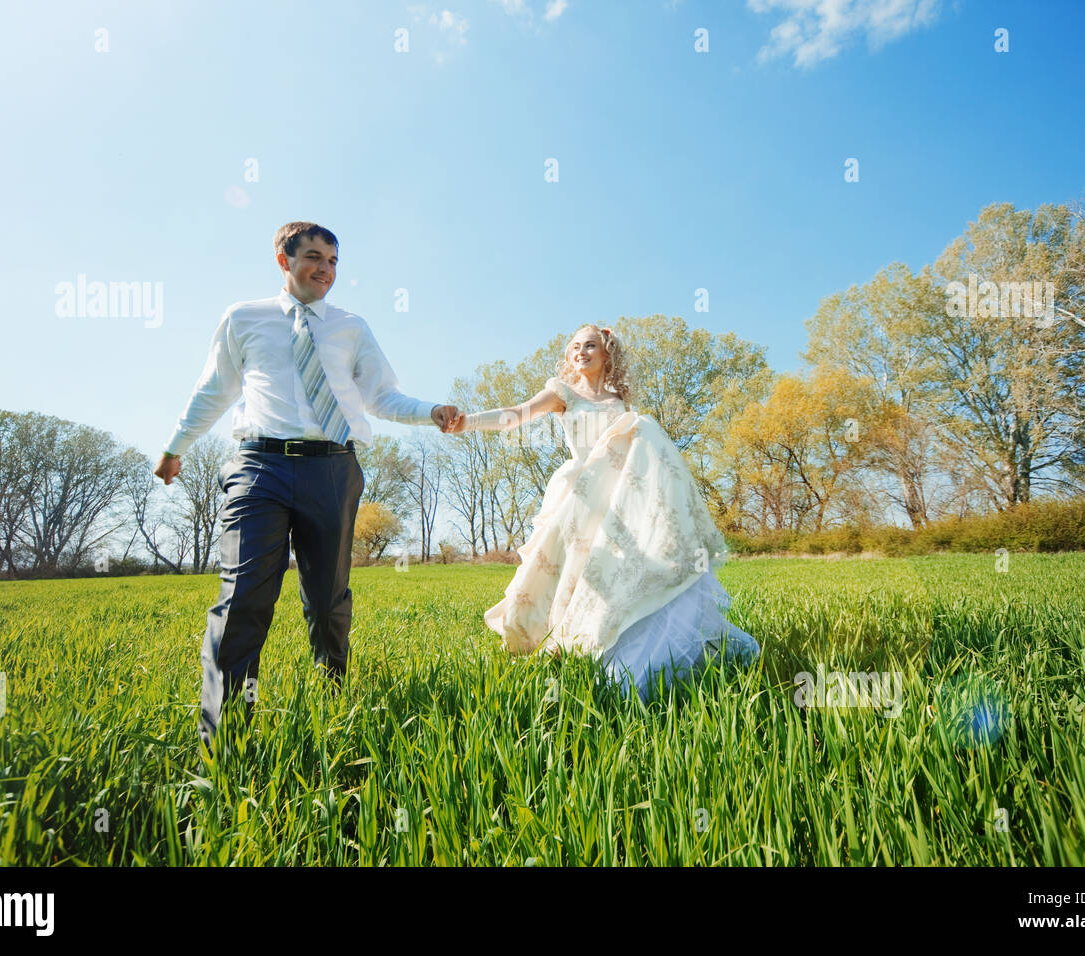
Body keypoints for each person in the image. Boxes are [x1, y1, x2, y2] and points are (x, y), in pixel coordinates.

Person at [154, 221, 460, 750]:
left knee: (326, 600)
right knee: (244, 595)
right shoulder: (244, 318)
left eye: (334, 261)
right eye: (315, 257)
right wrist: (176, 446)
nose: (326, 269)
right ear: (283, 259)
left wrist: (430, 411)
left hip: (333, 468)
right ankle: (224, 735)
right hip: (259, 467)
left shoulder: (350, 326)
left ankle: (332, 694)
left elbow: (382, 396)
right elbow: (215, 389)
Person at [447, 325, 760, 699]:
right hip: (581, 494)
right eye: (576, 347)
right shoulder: (562, 392)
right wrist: (468, 421)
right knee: (573, 572)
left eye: (590, 345)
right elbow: (517, 413)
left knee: (617, 571)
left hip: (620, 498)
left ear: (607, 353)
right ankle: (565, 640)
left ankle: (624, 640)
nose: (582, 352)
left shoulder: (620, 402)